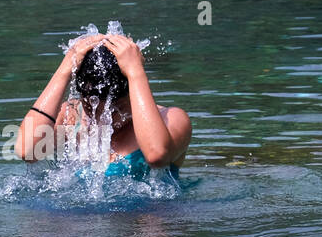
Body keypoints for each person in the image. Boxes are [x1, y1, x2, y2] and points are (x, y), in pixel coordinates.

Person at [15, 30, 191, 178]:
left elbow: (156, 156)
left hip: (143, 219)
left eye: (116, 109)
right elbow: (27, 151)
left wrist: (135, 71)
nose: (101, 117)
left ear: (134, 91)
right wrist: (66, 69)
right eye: (90, 107)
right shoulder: (70, 117)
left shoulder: (171, 120)